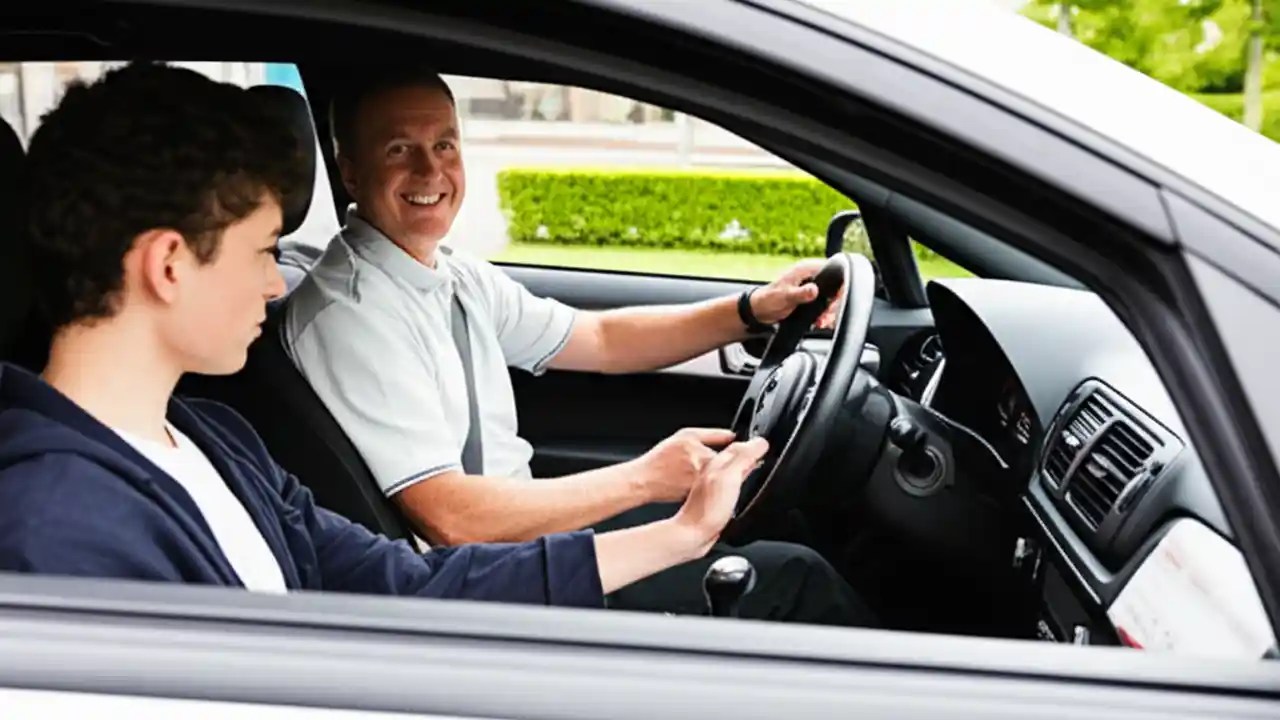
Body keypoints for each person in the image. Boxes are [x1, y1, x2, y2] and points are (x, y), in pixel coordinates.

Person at [0, 62, 769, 607]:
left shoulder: (213, 439)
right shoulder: (58, 527)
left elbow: (402, 582)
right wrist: (647, 487)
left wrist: (680, 535)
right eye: (265, 251)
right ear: (170, 264)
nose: (278, 282)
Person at [283, 67, 874, 625]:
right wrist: (645, 477)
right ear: (350, 171)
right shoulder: (352, 314)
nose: (431, 172)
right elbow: (453, 519)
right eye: (399, 150)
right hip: (488, 584)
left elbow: (599, 338)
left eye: (445, 145)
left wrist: (750, 311)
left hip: (522, 539)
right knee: (798, 577)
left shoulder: (451, 275)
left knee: (776, 530)